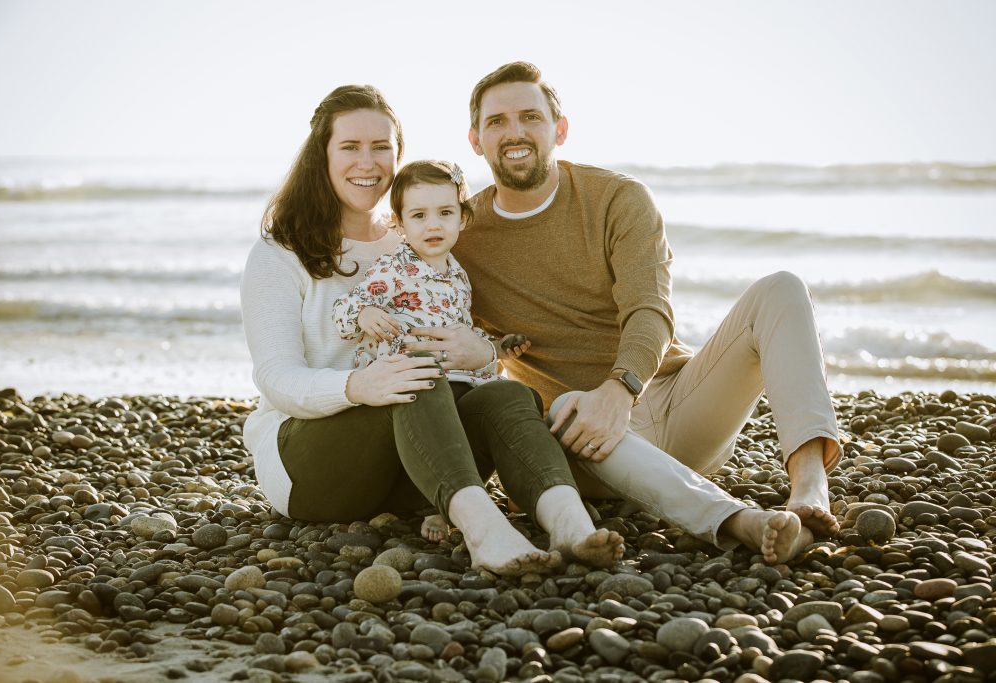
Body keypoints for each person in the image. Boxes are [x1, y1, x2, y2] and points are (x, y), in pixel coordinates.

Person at [408, 62, 843, 564]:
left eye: (530, 116)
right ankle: (737, 521)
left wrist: (621, 389)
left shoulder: (617, 198)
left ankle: (809, 485)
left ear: (560, 129)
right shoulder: (460, 232)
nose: (515, 132)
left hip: (675, 402)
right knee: (567, 402)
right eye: (497, 122)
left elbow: (650, 309)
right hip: (578, 440)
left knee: (781, 289)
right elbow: (410, 293)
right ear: (475, 140)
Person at [240, 84, 624, 575]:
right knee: (412, 372)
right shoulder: (280, 253)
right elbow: (275, 377)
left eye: (382, 147)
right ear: (322, 154)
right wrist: (357, 386)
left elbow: (463, 330)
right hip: (315, 466)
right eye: (350, 147)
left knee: (508, 398)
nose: (368, 162)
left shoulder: (416, 237)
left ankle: (570, 524)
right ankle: (482, 530)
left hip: (420, 465)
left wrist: (485, 354)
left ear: (398, 155)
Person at [331, 158, 530, 541]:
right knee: (439, 402)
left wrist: (494, 350)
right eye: (419, 215)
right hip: (408, 389)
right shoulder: (393, 269)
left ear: (462, 218)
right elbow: (341, 312)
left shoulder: (458, 276)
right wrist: (365, 312)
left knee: (493, 412)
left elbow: (459, 329)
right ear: (400, 224)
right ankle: (451, 507)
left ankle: (464, 503)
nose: (433, 225)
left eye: (444, 213)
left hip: (456, 379)